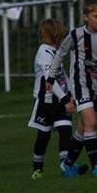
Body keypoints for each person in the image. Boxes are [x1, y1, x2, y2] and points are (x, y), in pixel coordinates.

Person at [47, 0, 97, 176]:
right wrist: (51, 77)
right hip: (80, 84)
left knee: (83, 126)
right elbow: (60, 54)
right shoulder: (76, 35)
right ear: (86, 17)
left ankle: (67, 165)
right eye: (96, 15)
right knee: (92, 122)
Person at [30, 18, 86, 179]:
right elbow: (50, 81)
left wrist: (72, 95)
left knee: (65, 130)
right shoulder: (44, 52)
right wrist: (65, 100)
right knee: (43, 135)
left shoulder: (56, 52)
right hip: (45, 102)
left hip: (60, 100)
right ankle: (37, 169)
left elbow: (62, 76)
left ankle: (66, 166)